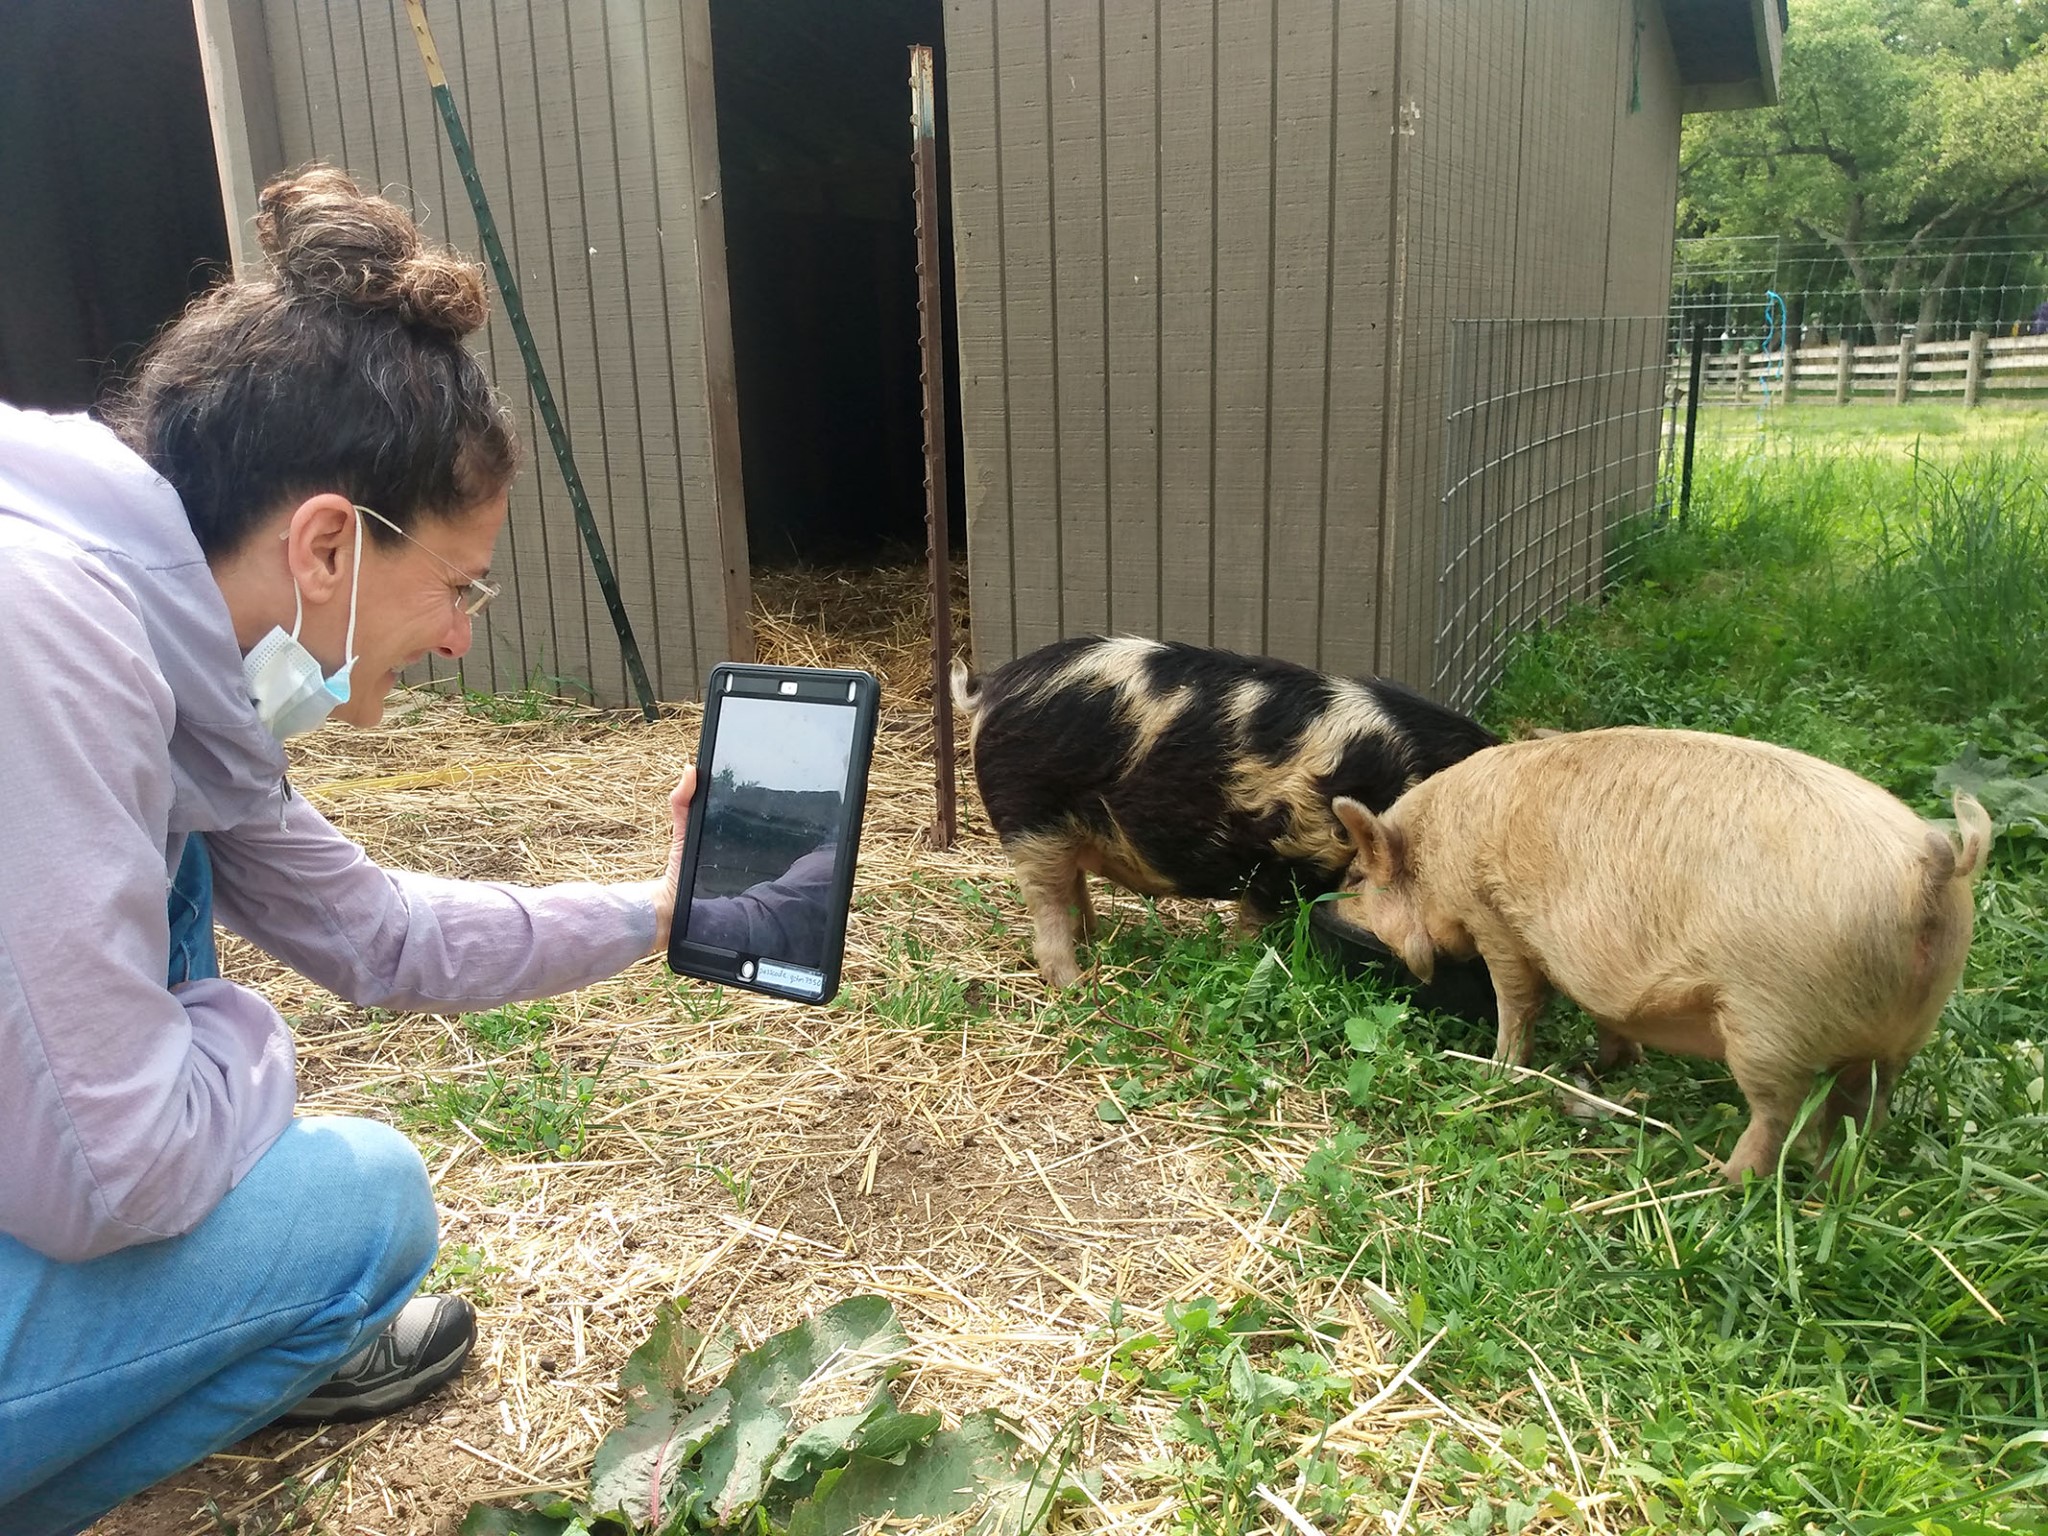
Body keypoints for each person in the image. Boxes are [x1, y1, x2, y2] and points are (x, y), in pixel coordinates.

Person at [0, 167, 697, 1536]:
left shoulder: (159, 625)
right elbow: (112, 1174)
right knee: (366, 1206)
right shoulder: (48, 635)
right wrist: (224, 1020)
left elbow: (378, 934)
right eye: (459, 584)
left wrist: (662, 910)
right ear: (329, 543)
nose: (457, 637)